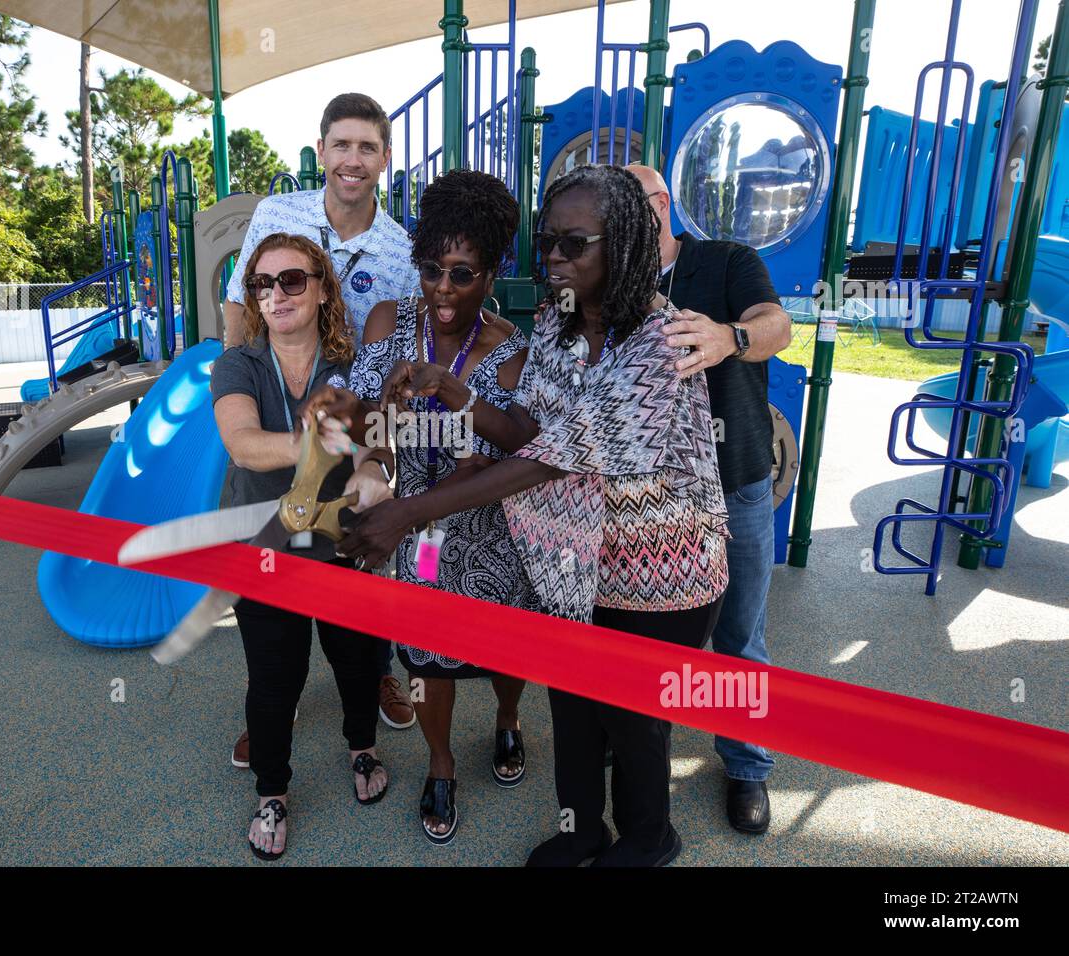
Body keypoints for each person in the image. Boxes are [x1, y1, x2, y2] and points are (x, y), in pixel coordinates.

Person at [339, 164, 730, 866]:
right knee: (574, 709)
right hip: (574, 561)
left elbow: (556, 456)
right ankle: (582, 829)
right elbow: (526, 430)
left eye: (573, 242)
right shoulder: (553, 325)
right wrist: (452, 390)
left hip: (660, 572)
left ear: (628, 242)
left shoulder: (660, 342)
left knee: (635, 722)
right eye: (548, 240)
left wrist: (410, 512)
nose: (553, 256)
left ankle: (649, 840)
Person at [304, 169, 531, 845]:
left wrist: (450, 389)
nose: (441, 288)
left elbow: (516, 442)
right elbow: (370, 420)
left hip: (487, 530)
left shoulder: (511, 351)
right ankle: (440, 761)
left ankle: (509, 721)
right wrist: (382, 413)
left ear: (492, 274)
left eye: (463, 273)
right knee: (426, 658)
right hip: (413, 532)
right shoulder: (387, 320)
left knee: (504, 654)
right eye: (431, 268)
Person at [223, 93, 420, 745]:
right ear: (322, 150)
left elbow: (396, 353)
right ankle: (270, 697)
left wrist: (376, 442)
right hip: (283, 381)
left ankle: (376, 670)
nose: (352, 160)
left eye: (367, 147)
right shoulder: (279, 214)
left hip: (355, 410)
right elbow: (237, 301)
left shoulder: (401, 251)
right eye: (341, 145)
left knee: (363, 549)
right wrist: (242, 376)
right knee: (270, 545)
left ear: (385, 159)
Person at [209, 232, 396, 861]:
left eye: (292, 280)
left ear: (320, 289)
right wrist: (321, 447)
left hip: (343, 540)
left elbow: (375, 442)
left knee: (357, 658)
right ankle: (273, 791)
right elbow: (243, 444)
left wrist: (373, 469)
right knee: (273, 674)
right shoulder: (239, 363)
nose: (276, 294)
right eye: (262, 284)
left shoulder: (354, 366)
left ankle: (362, 747)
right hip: (264, 543)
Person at [626, 162, 791, 835]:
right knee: (646, 633)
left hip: (736, 483)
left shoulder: (725, 261)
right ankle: (636, 745)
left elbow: (776, 325)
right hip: (647, 499)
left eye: (629, 201)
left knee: (739, 635)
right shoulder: (612, 282)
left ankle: (747, 766)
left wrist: (731, 337)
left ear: (662, 203)